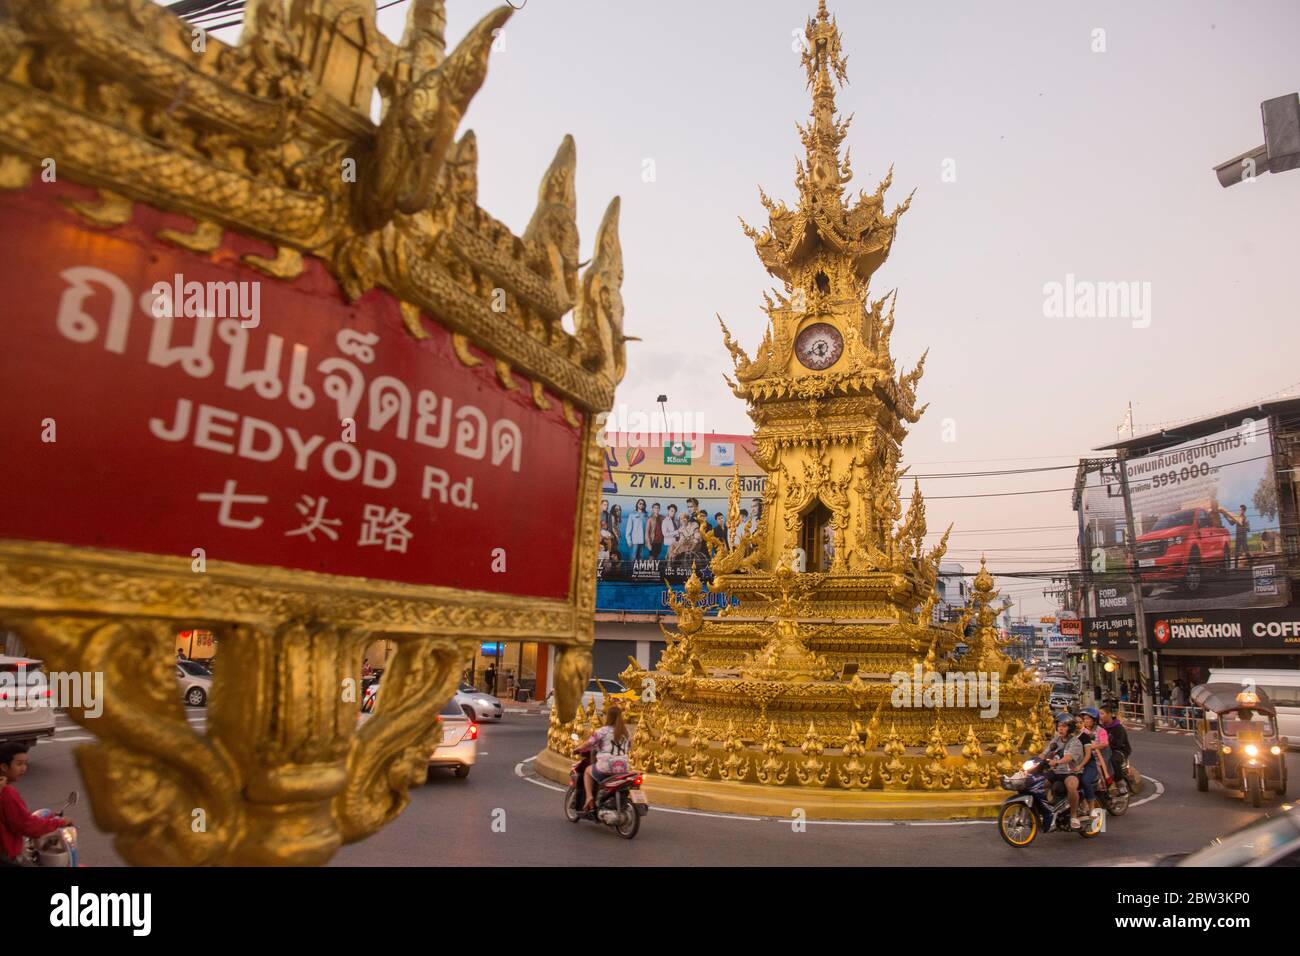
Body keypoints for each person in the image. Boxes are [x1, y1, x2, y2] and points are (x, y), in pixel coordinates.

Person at [0, 743, 72, 866]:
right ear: (4, 767)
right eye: (19, 764)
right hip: (6, 857)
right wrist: (60, 822)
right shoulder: (7, 792)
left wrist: (48, 818)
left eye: (25, 763)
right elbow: (27, 826)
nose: (23, 768)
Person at [581, 704, 632, 812]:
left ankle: (589, 797)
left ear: (608, 717)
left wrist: (577, 748)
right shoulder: (626, 732)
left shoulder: (602, 731)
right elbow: (629, 747)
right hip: (624, 768)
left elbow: (589, 743)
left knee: (587, 771)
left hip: (606, 767)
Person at [1040, 715, 1085, 828]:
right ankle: (1047, 809)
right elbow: (1044, 753)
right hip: (1056, 772)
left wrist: (1057, 762)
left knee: (1071, 785)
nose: (1061, 728)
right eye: (1059, 726)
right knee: (1040, 783)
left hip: (1071, 772)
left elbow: (1068, 758)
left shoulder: (1075, 742)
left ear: (1070, 728)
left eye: (1064, 726)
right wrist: (1034, 761)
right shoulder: (1055, 740)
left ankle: (1074, 815)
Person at [1099, 702, 1132, 784]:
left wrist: (1107, 742)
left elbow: (1118, 744)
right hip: (1104, 749)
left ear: (1109, 714)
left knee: (1113, 760)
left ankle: (1120, 782)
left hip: (1119, 750)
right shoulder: (1100, 727)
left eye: (1102, 714)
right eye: (1099, 714)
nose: (1100, 716)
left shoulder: (1118, 728)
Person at [1220, 504, 1251, 569]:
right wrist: (1225, 516)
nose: (1240, 511)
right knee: (1236, 552)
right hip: (1238, 537)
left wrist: (1244, 525)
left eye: (1241, 510)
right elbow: (1231, 523)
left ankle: (1251, 566)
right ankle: (1236, 567)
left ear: (1244, 510)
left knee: (1246, 551)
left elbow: (1249, 529)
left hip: (1243, 537)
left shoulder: (1246, 519)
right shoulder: (1237, 518)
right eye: (1239, 510)